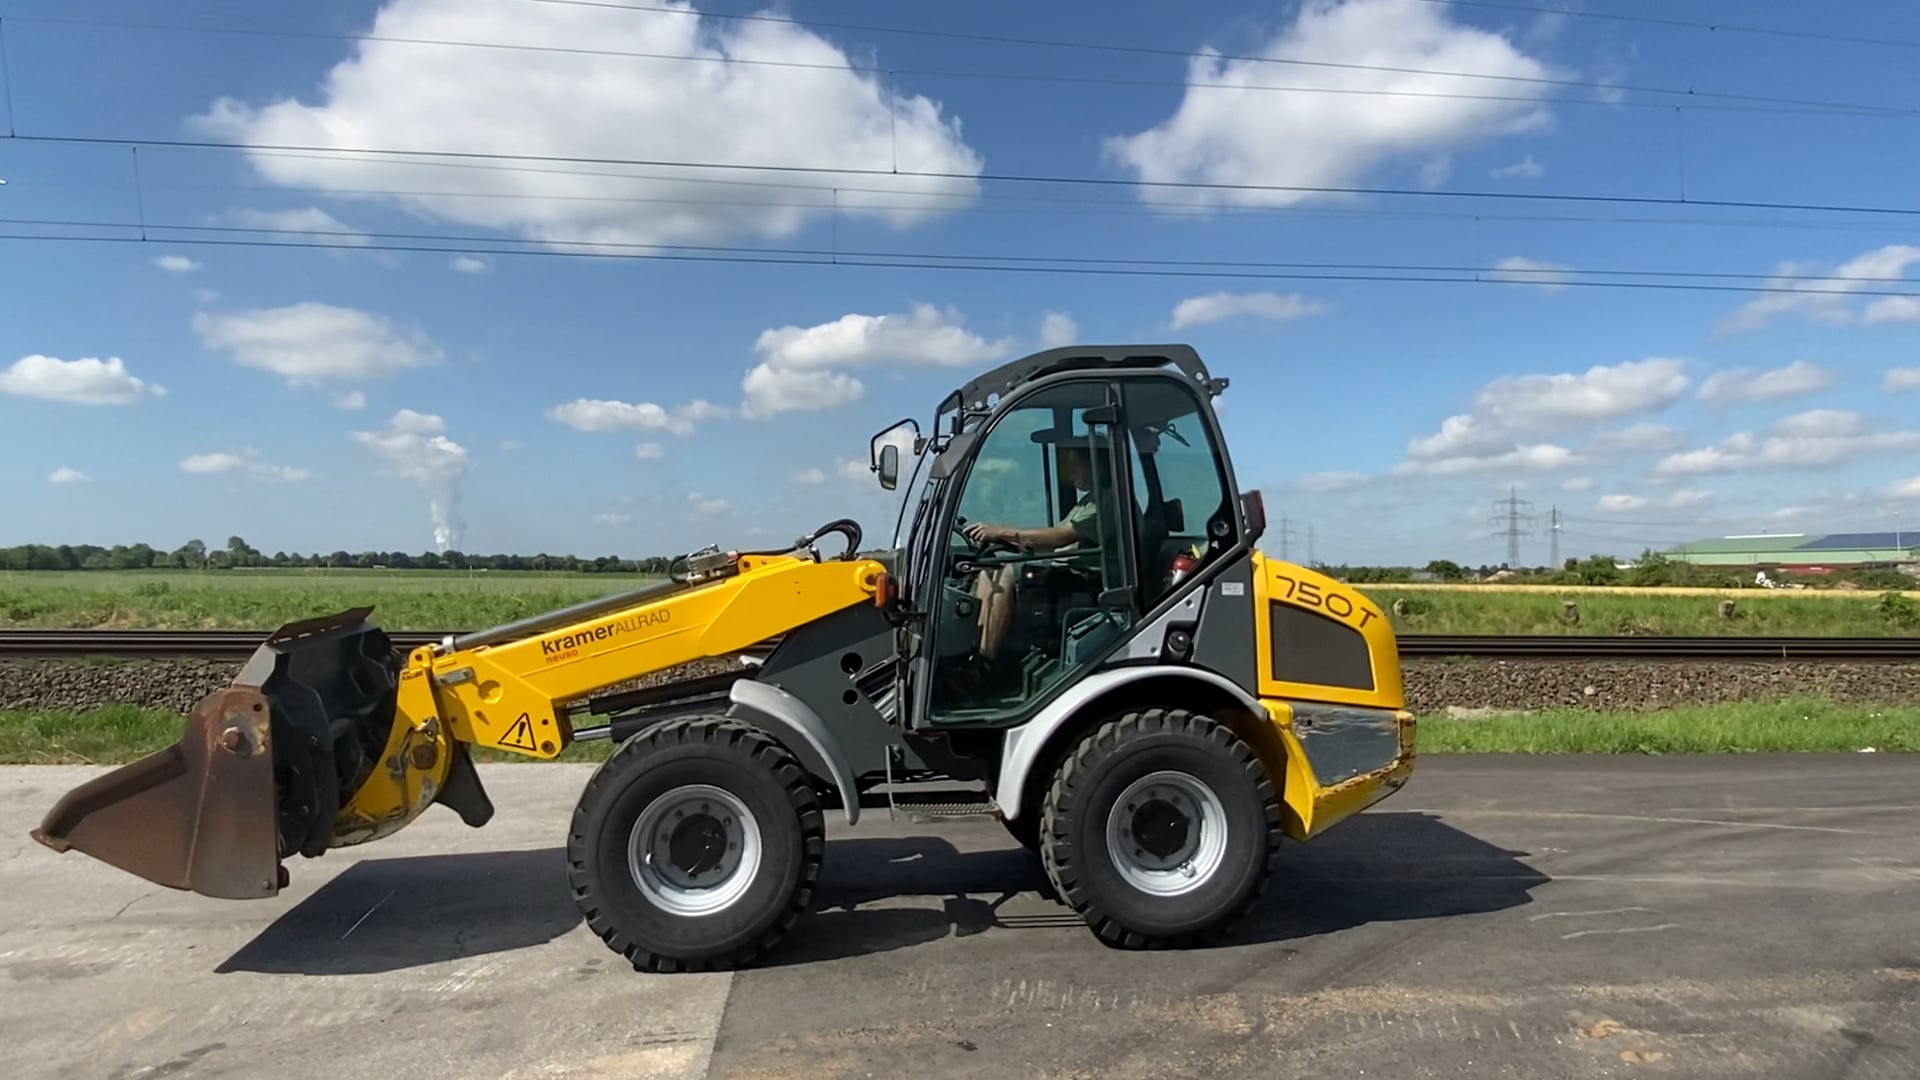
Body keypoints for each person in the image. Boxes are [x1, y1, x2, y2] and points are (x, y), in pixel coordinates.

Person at [959, 443, 1104, 660]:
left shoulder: (1106, 502)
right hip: (1072, 571)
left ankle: (985, 659)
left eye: (1075, 466)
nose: (1070, 474)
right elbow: (1052, 544)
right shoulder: (1088, 502)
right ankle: (975, 650)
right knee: (988, 571)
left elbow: (1061, 537)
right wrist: (1006, 540)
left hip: (1090, 579)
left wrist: (1001, 532)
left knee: (1004, 574)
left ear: (1095, 466)